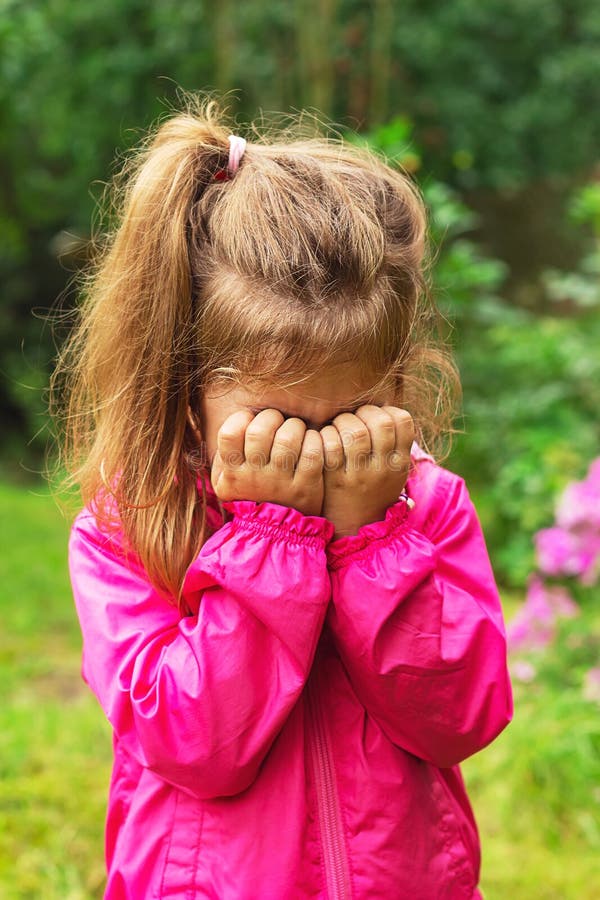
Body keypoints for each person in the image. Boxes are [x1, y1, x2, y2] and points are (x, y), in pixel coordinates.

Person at [57, 92, 513, 899]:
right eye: (275, 423)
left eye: (346, 416)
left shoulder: (426, 511)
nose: (313, 450)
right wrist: (272, 543)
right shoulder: (131, 527)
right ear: (185, 388)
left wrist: (375, 544)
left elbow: (460, 719)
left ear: (395, 382)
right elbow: (195, 743)